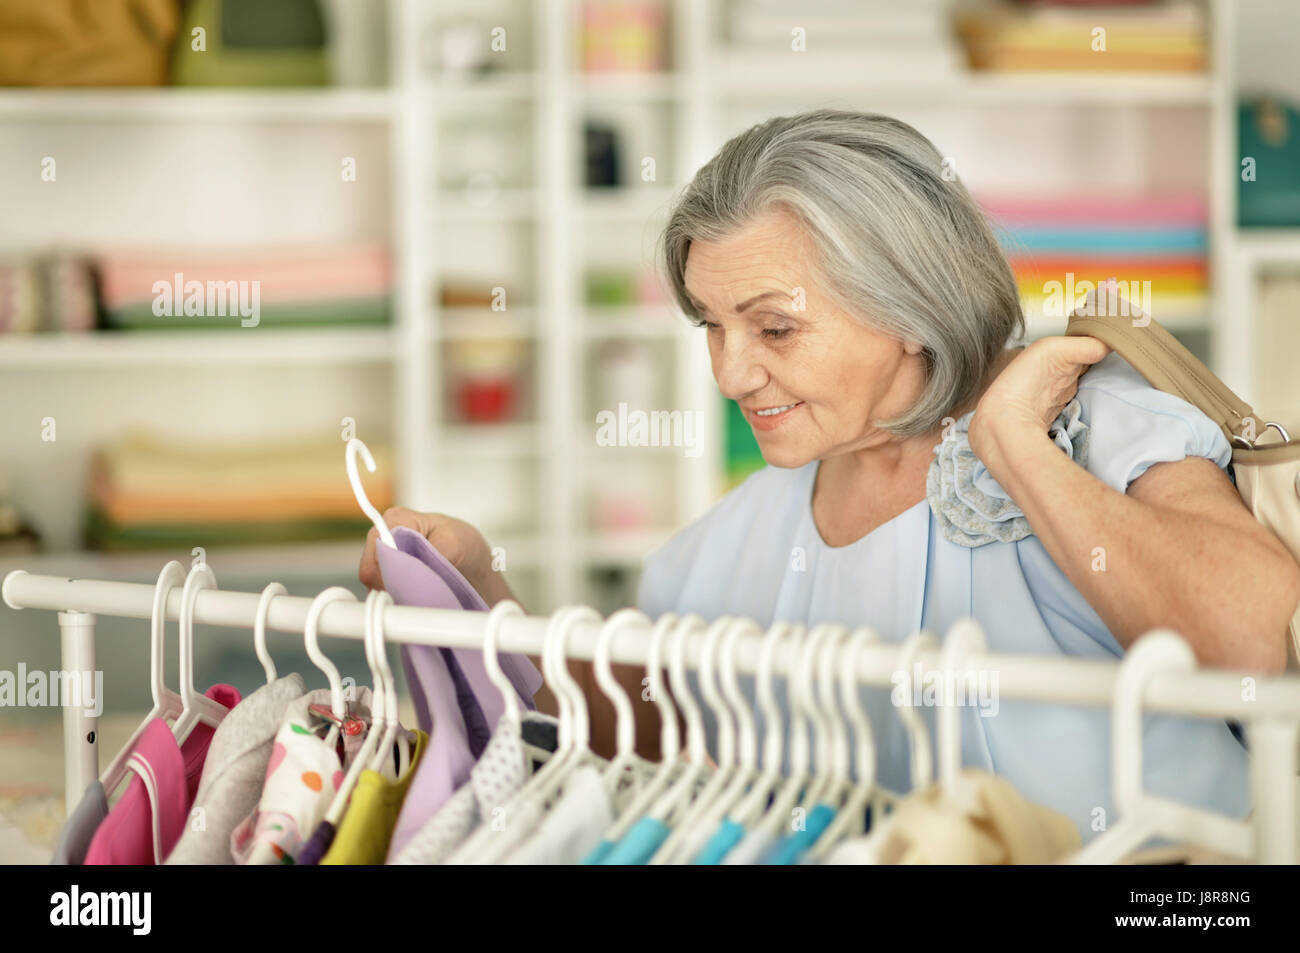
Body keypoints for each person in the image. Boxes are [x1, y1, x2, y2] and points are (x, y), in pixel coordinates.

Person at [360, 109, 1300, 840]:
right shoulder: (736, 536)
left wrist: (1012, 443)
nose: (731, 374)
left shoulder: (1099, 428)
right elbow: (656, 742)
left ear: (910, 303)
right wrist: (479, 589)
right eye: (711, 328)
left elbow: (1258, 642)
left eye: (773, 328)